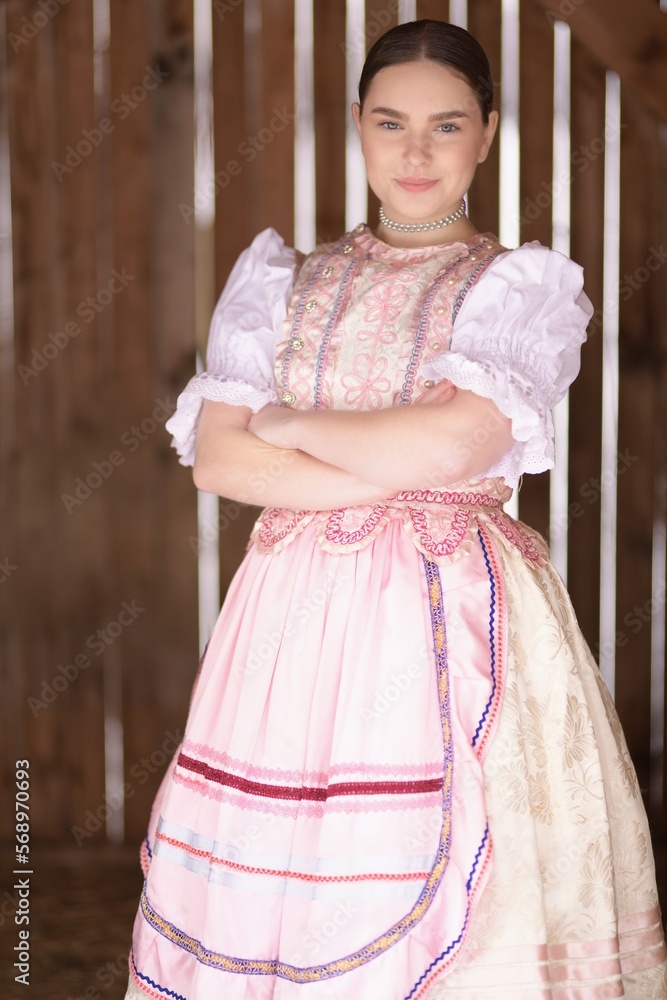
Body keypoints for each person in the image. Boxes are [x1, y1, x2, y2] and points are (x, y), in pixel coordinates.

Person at [123, 19, 667, 1000]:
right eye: (391, 122)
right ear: (357, 128)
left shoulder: (517, 288)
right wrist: (400, 457)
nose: (415, 152)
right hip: (293, 625)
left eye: (446, 125)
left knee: (469, 854)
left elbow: (453, 447)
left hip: (456, 610)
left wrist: (286, 419)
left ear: (487, 134)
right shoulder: (281, 279)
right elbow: (218, 460)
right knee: (288, 855)